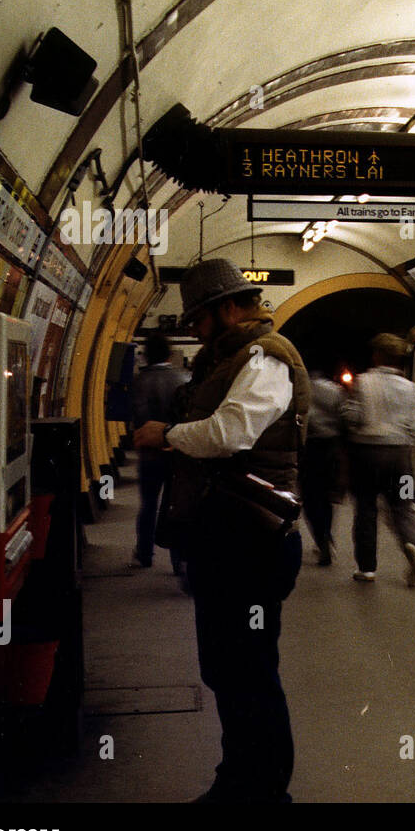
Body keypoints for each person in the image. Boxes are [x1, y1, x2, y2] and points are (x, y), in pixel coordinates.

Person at [133, 258, 310, 803]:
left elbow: (230, 433)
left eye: (201, 318)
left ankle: (263, 790)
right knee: (229, 669)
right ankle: (238, 778)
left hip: (251, 543)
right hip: (226, 539)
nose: (194, 329)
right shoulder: (229, 359)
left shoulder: (265, 358)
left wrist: (167, 435)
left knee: (250, 671)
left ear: (230, 308)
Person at [343, 333, 415, 586]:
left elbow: (352, 417)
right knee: (403, 507)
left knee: (366, 509)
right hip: (401, 457)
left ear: (377, 356)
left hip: (367, 457)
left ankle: (367, 569)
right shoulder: (412, 388)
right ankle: (413, 545)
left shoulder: (363, 382)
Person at [129, 334, 189, 572]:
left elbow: (135, 413)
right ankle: (178, 561)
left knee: (149, 504)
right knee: (175, 505)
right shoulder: (182, 378)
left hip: (149, 453)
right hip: (177, 451)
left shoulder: (139, 381)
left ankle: (144, 554)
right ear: (168, 355)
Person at [302, 366, 346, 566]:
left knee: (310, 499)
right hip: (331, 447)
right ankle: (327, 535)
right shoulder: (336, 390)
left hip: (308, 448)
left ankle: (322, 540)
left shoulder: (301, 387)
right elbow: (343, 417)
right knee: (326, 498)